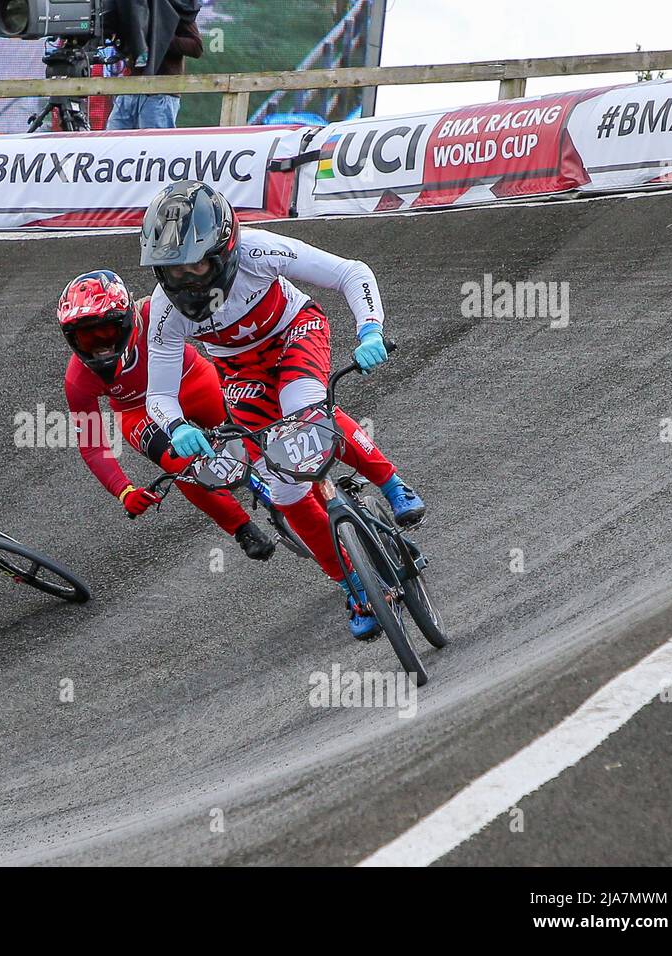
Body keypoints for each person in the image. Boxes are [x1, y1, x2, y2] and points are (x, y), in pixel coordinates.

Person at [139, 180, 427, 639]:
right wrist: (175, 427)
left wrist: (370, 330)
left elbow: (352, 272)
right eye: (171, 271)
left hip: (295, 333)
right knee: (284, 490)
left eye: (195, 264)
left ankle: (391, 483)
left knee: (305, 413)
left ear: (226, 247)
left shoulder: (259, 250)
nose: (186, 280)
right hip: (241, 373)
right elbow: (158, 396)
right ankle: (354, 584)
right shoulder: (163, 311)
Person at [59, 270, 275, 561]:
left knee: (254, 429)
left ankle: (304, 479)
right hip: (139, 412)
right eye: (86, 339)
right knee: (181, 467)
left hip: (191, 381)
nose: (100, 347)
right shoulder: (77, 379)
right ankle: (242, 528)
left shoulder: (155, 311)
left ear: (126, 319)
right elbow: (92, 444)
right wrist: (123, 491)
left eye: (106, 332)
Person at [106, 1, 203, 130]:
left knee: (155, 147)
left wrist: (161, 38)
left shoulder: (174, 4)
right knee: (115, 144)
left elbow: (196, 47)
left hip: (160, 93)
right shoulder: (129, 5)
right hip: (129, 90)